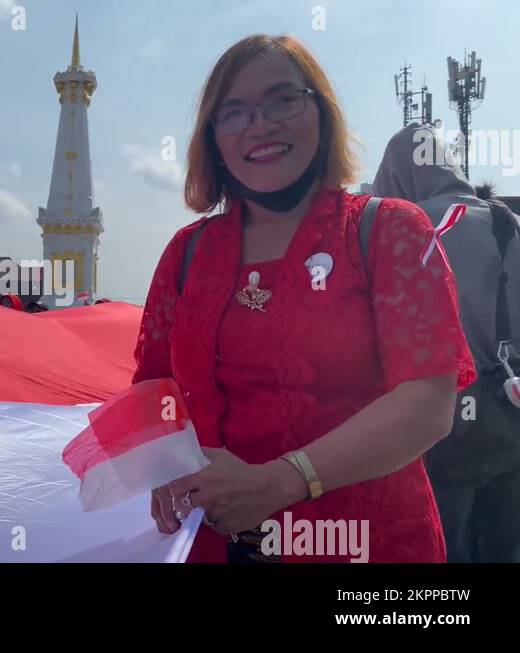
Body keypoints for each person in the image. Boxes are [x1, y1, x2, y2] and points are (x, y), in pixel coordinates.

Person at [134, 34, 476, 562]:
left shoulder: (390, 231)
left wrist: (281, 481)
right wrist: (158, 465)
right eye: (234, 112)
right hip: (211, 542)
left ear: (321, 113)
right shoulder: (187, 253)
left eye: (283, 99)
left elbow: (428, 405)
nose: (260, 123)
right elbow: (152, 386)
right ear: (213, 140)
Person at [373, 124, 520, 562]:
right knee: (506, 545)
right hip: (510, 412)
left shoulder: (405, 229)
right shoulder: (505, 222)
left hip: (441, 422)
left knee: (444, 545)